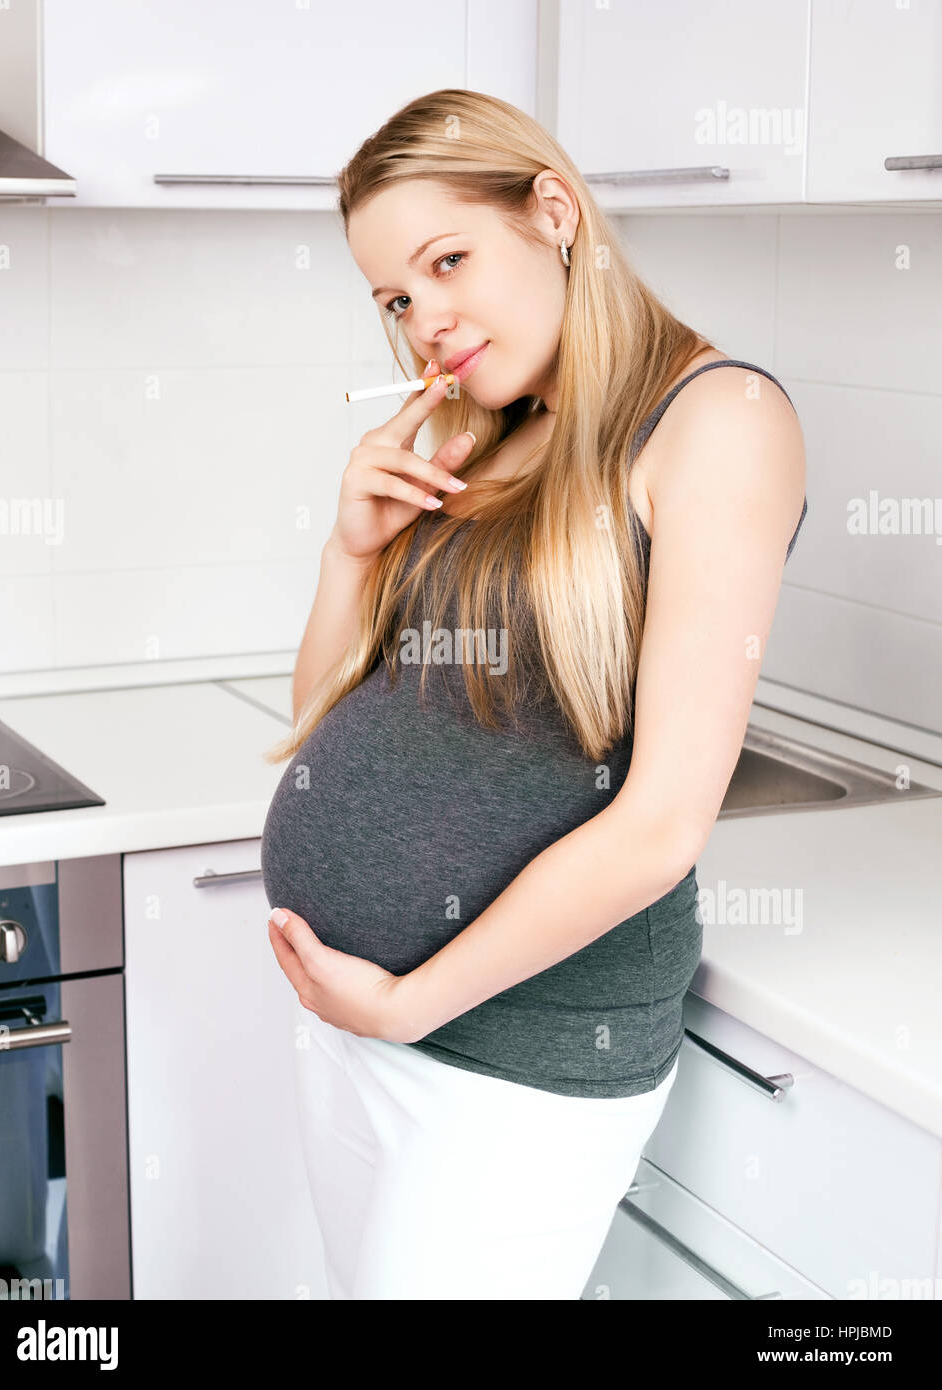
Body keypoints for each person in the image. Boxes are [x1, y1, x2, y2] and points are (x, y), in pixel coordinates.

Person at [260, 88, 807, 1300]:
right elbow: (319, 729)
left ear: (552, 211)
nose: (424, 323)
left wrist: (409, 1003)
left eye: (446, 261)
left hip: (517, 1051)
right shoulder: (487, 430)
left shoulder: (718, 419)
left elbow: (663, 822)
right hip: (361, 1024)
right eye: (396, 299)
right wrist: (350, 552)